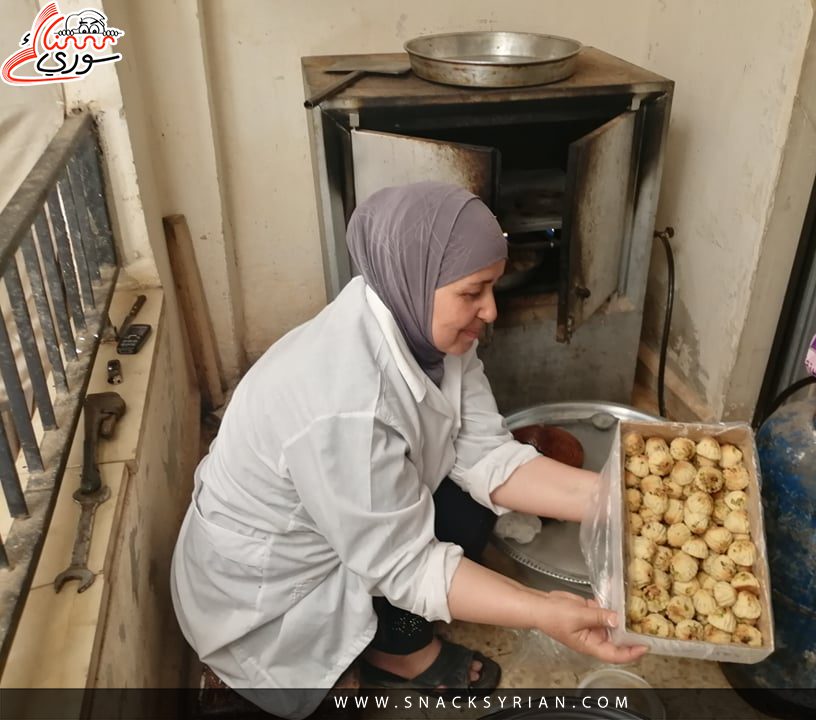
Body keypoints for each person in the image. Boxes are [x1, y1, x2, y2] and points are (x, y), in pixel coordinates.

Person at [170, 182, 645, 720]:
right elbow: (409, 566)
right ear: (418, 278)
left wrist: (629, 499)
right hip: (268, 594)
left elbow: (488, 455)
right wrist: (542, 611)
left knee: (470, 506)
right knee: (336, 701)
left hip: (340, 523)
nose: (491, 310)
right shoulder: (345, 405)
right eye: (473, 291)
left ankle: (393, 641)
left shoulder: (420, 322)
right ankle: (388, 650)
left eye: (493, 286)